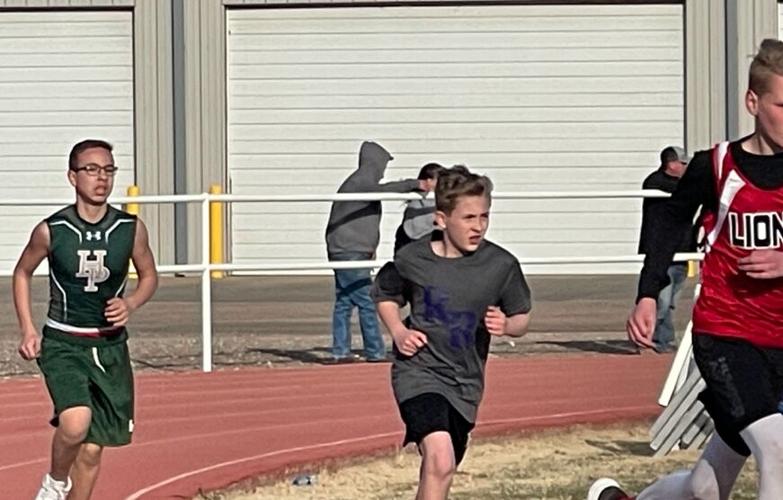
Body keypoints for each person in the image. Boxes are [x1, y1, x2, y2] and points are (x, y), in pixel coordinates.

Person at [589, 38, 783, 500]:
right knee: (776, 449)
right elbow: (668, 226)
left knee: (704, 490)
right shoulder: (714, 166)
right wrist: (647, 294)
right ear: (752, 102)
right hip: (728, 337)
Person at [372, 166, 532, 500]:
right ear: (442, 220)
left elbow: (522, 317)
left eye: (484, 216)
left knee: (441, 469)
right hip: (419, 372)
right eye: (468, 218)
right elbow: (386, 295)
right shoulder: (412, 258)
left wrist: (506, 326)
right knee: (440, 459)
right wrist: (399, 332)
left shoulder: (501, 265)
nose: (479, 227)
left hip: (465, 384)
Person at [14, 139, 158, 500]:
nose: (101, 178)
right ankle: (55, 483)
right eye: (91, 170)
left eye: (108, 170)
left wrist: (132, 303)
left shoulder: (130, 228)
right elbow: (21, 273)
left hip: (109, 347)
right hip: (64, 342)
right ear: (72, 176)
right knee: (75, 423)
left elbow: (150, 275)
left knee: (93, 450)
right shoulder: (52, 230)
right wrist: (29, 329)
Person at [324, 141, 426, 363]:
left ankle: (340, 350)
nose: (383, 170)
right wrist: (414, 184)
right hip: (350, 251)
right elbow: (383, 190)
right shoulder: (361, 183)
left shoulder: (356, 183)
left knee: (344, 302)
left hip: (346, 250)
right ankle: (374, 351)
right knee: (367, 300)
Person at [638, 146, 695, 353]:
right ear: (671, 164)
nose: (686, 168)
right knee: (659, 300)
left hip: (682, 250)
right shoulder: (655, 183)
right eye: (683, 163)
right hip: (660, 251)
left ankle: (664, 339)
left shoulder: (683, 186)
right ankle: (648, 338)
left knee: (670, 301)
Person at [394, 162, 445, 256]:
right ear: (429, 181)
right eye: (439, 180)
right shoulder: (416, 198)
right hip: (410, 241)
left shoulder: (441, 198)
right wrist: (416, 184)